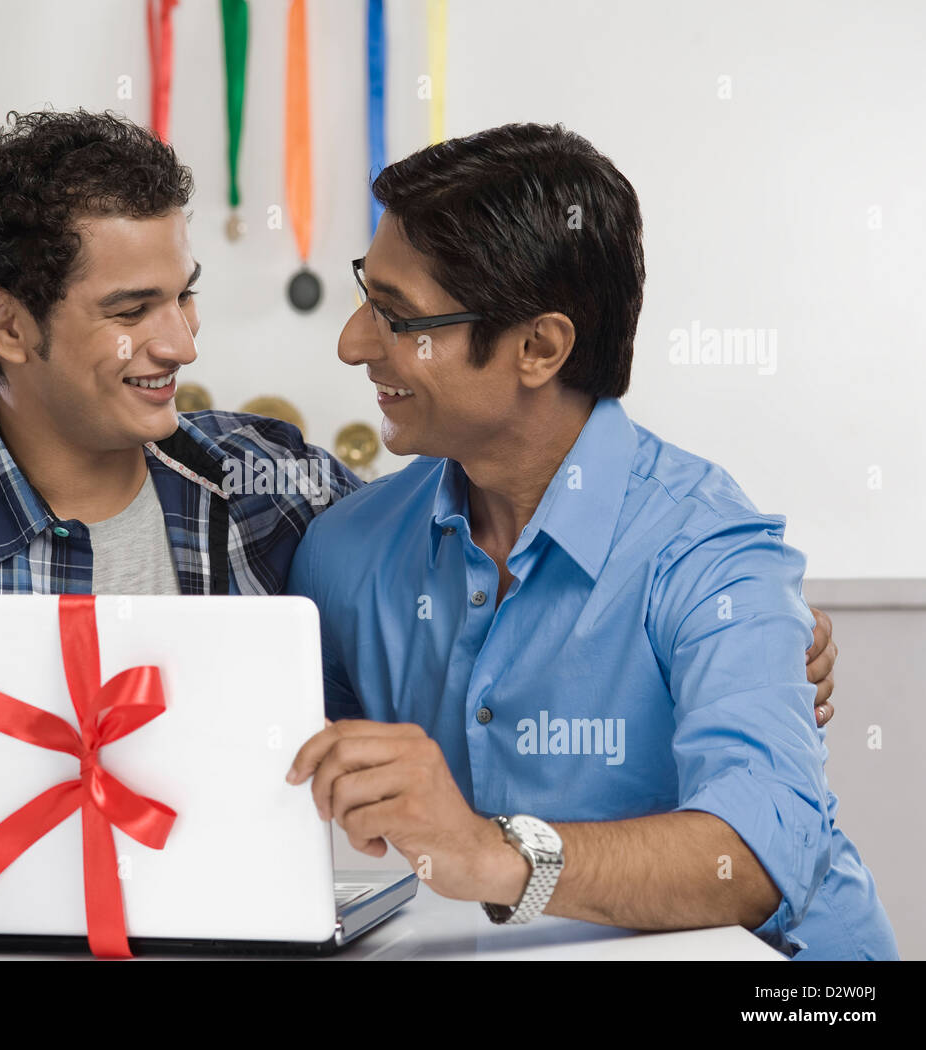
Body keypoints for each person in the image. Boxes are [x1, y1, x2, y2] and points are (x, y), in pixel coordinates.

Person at [0, 110, 837, 917]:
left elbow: (508, 547)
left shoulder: (271, 492)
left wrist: (755, 646)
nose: (183, 344)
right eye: (134, 308)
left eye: (184, 296)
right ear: (5, 321)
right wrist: (16, 851)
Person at [284, 122, 895, 960]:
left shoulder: (712, 550)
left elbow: (750, 858)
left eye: (398, 318)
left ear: (538, 347)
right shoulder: (343, 552)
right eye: (366, 295)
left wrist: (489, 852)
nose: (354, 342)